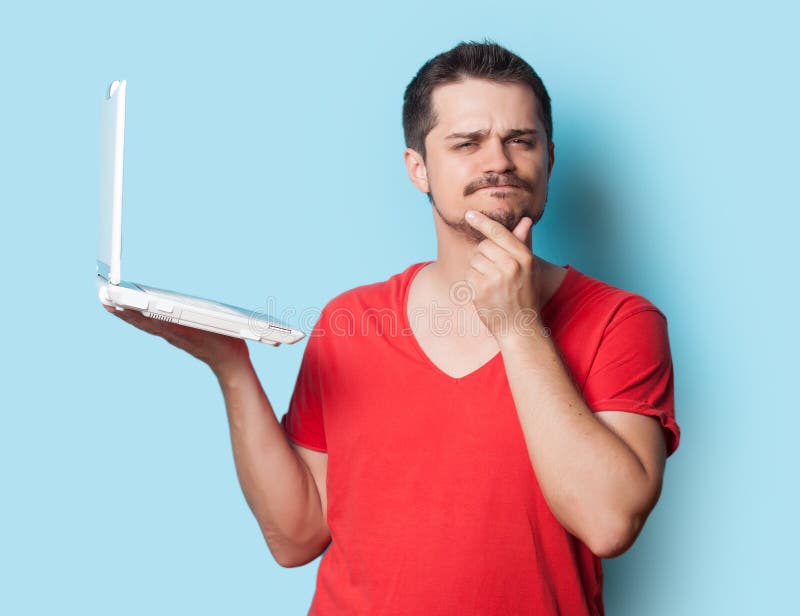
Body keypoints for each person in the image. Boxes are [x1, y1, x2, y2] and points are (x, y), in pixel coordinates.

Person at [106, 40, 680, 616]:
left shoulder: (621, 322)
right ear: (418, 168)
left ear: (549, 159)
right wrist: (231, 367)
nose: (498, 161)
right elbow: (296, 535)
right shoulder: (351, 322)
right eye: (467, 143)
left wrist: (517, 324)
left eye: (519, 140)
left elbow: (608, 522)